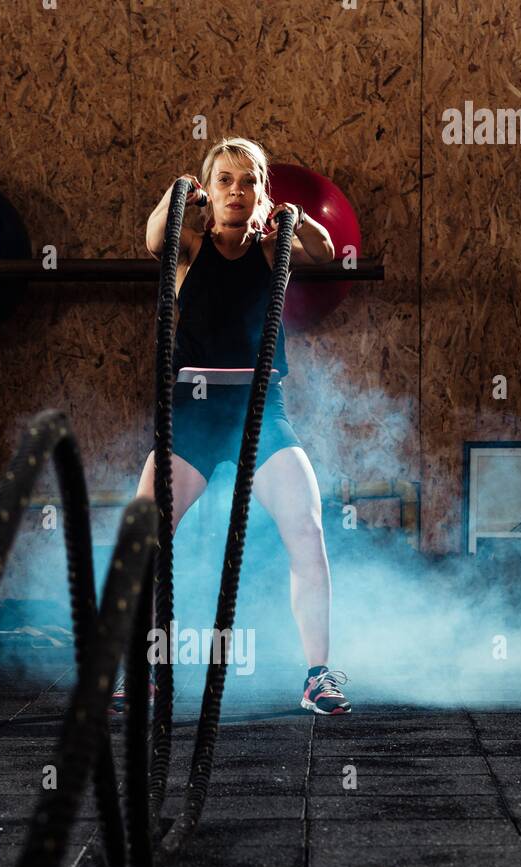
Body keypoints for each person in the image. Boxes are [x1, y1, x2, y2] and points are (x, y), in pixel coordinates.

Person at [110, 135, 350, 716]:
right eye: (225, 181)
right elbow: (152, 237)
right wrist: (176, 196)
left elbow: (325, 253)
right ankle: (134, 673)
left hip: (260, 413)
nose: (237, 192)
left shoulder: (275, 251)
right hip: (193, 414)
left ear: (262, 191)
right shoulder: (186, 246)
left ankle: (318, 675)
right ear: (208, 191)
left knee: (308, 531)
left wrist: (287, 218)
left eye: (249, 182)